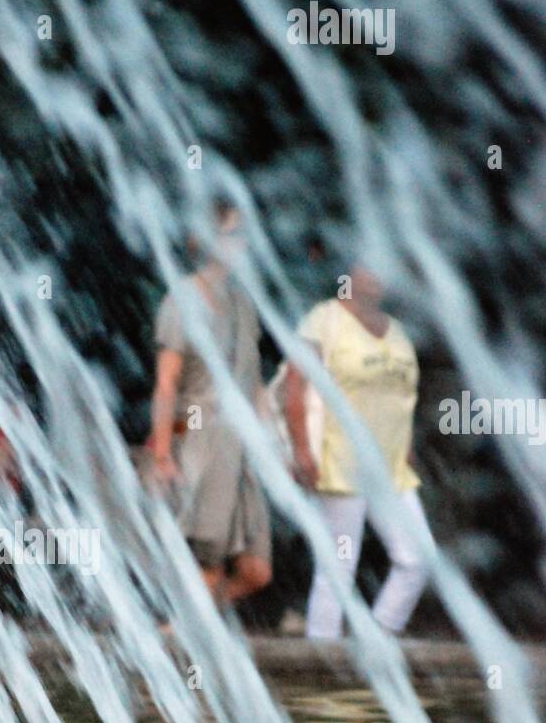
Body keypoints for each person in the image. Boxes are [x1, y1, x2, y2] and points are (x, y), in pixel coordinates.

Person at [284, 264, 432, 639]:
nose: (377, 277)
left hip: (391, 466)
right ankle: (322, 655)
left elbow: (401, 392)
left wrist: (408, 442)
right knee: (339, 564)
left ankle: (377, 641)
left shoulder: (395, 329)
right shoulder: (324, 320)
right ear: (348, 273)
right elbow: (294, 385)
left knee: (417, 557)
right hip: (341, 462)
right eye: (368, 269)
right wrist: (301, 448)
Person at [146, 203, 272, 605]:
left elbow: (253, 381)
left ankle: (178, 632)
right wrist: (164, 454)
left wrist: (273, 444)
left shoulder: (244, 305)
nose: (239, 244)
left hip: (243, 449)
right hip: (202, 440)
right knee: (208, 564)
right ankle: (187, 647)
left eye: (242, 235)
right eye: (230, 235)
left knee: (256, 571)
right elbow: (166, 384)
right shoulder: (182, 299)